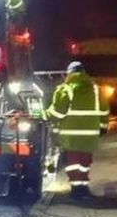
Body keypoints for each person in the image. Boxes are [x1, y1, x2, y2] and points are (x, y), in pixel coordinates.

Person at [45, 61, 110, 200]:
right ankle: (83, 189)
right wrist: (103, 128)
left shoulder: (66, 89)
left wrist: (44, 115)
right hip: (90, 136)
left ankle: (76, 191)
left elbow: (58, 112)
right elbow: (104, 110)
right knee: (85, 162)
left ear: (69, 74)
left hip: (71, 136)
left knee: (73, 163)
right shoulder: (96, 89)